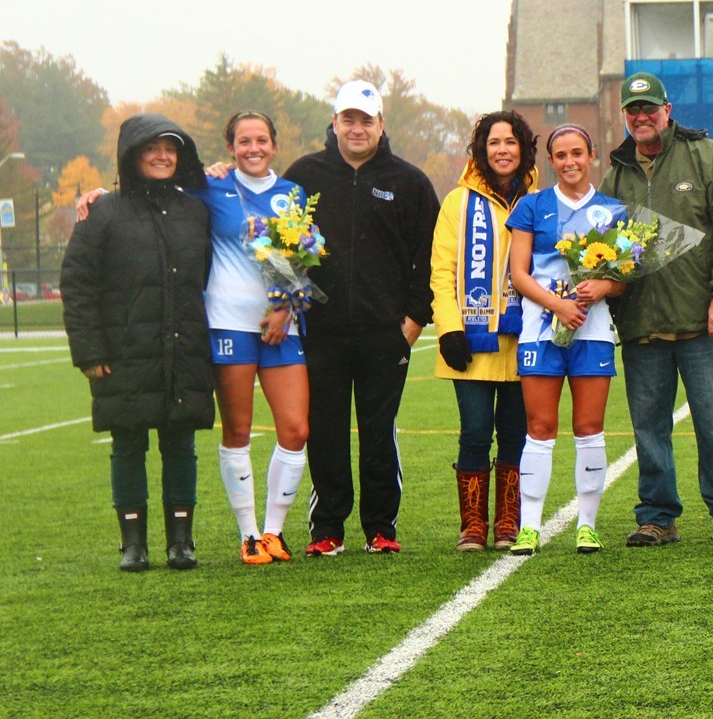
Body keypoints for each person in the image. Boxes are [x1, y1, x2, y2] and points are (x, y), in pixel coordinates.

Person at [601, 72, 713, 546]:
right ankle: (656, 516)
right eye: (632, 110)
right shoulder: (615, 174)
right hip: (641, 325)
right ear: (625, 116)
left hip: (701, 320)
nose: (641, 116)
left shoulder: (709, 157)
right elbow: (608, 252)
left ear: (667, 110)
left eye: (649, 107)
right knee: (649, 429)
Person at [284, 81, 440, 556]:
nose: (356, 128)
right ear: (334, 123)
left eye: (365, 120)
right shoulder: (303, 175)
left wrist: (413, 320)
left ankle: (380, 526)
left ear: (381, 125)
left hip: (384, 333)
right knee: (324, 428)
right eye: (348, 119)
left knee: (379, 431)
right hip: (321, 332)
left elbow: (429, 257)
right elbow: (277, 246)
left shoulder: (409, 181)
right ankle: (327, 527)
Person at [62, 115, 213, 571]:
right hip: (124, 354)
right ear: (132, 154)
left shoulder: (194, 211)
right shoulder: (102, 213)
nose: (163, 156)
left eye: (170, 148)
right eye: (152, 148)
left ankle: (180, 542)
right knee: (128, 445)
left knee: (181, 444)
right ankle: (133, 543)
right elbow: (78, 285)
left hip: (183, 349)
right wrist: (90, 352)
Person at [502, 124, 625, 556]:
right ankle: (530, 527)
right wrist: (557, 306)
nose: (570, 162)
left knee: (589, 428)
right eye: (561, 155)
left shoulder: (614, 211)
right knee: (540, 428)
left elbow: (624, 278)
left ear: (592, 154)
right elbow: (519, 274)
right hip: (540, 329)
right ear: (550, 161)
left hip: (593, 331)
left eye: (578, 153)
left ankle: (587, 526)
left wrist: (604, 289)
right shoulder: (532, 207)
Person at [203, 113, 312, 564]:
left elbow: (304, 260)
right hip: (228, 322)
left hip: (282, 325)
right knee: (238, 429)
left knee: (295, 429)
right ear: (230, 147)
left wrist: (286, 308)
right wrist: (97, 194)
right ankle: (248, 535)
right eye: (243, 141)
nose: (253, 148)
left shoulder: (293, 194)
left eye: (261, 140)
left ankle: (274, 531)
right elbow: (151, 194)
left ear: (274, 144)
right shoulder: (210, 187)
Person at [431, 111, 537, 551]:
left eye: (511, 142)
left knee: (515, 433)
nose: (503, 150)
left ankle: (508, 522)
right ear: (482, 149)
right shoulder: (458, 202)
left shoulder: (539, 199)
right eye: (494, 142)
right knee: (474, 431)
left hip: (526, 339)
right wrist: (449, 329)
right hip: (472, 343)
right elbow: (442, 270)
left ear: (523, 148)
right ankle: (472, 526)